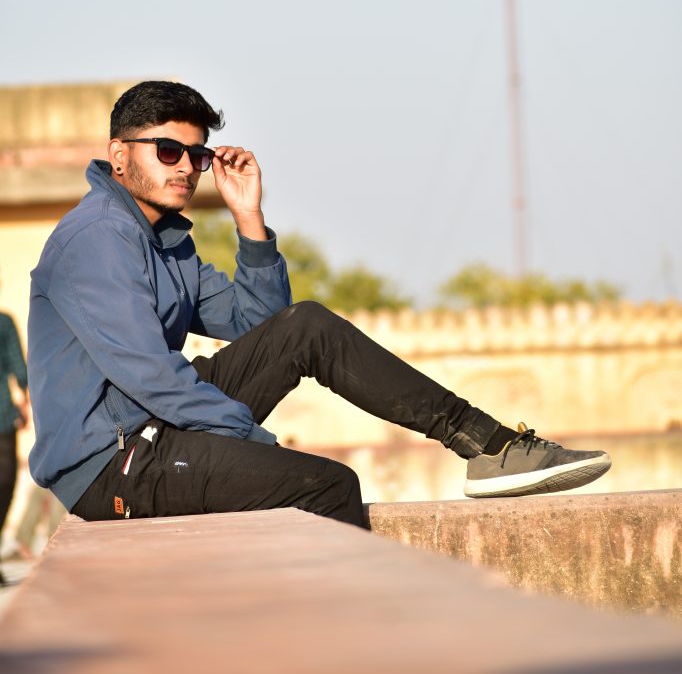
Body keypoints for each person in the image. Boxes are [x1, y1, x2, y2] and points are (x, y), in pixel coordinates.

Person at [27, 81, 610, 527]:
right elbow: (150, 375)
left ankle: (490, 447)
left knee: (307, 326)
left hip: (157, 426)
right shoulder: (97, 241)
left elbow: (262, 323)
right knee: (326, 484)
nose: (186, 168)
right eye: (168, 150)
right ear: (119, 153)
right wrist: (252, 444)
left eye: (197, 155)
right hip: (114, 462)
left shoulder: (166, 241)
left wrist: (249, 219)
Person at [0, 304, 29, 583]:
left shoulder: (4, 323)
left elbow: (19, 369)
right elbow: (19, 369)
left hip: (3, 417)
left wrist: (23, 400)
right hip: (3, 418)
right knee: (5, 483)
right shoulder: (3, 322)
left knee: (5, 484)